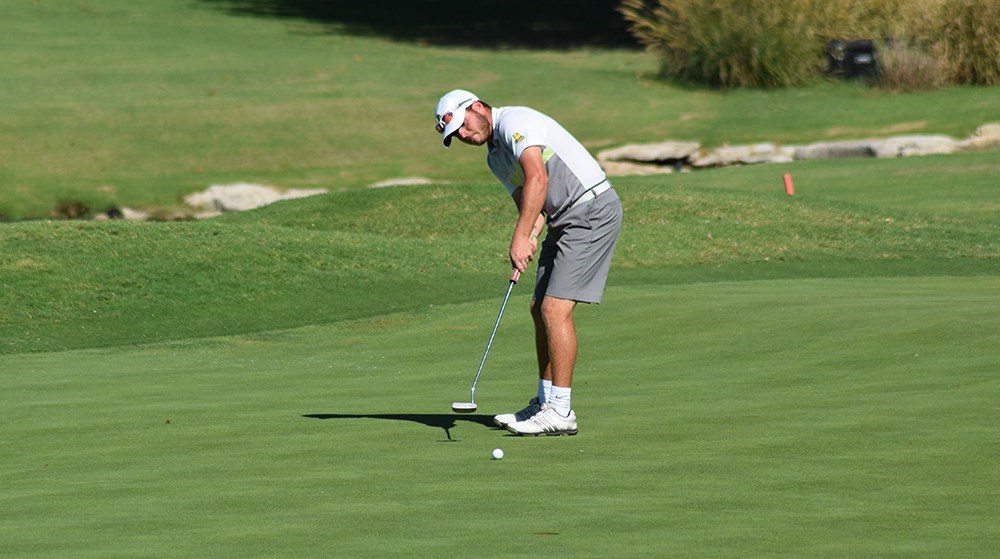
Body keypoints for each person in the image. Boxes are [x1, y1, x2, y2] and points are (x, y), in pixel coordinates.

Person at [434, 89, 623, 436]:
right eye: (455, 134)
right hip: (562, 221)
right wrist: (530, 237)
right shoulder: (495, 159)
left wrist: (520, 238)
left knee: (554, 309)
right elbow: (531, 206)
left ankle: (561, 411)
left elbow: (539, 178)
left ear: (477, 107)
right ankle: (545, 402)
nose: (463, 135)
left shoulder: (514, 122)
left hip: (591, 211)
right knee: (539, 308)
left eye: (462, 125)